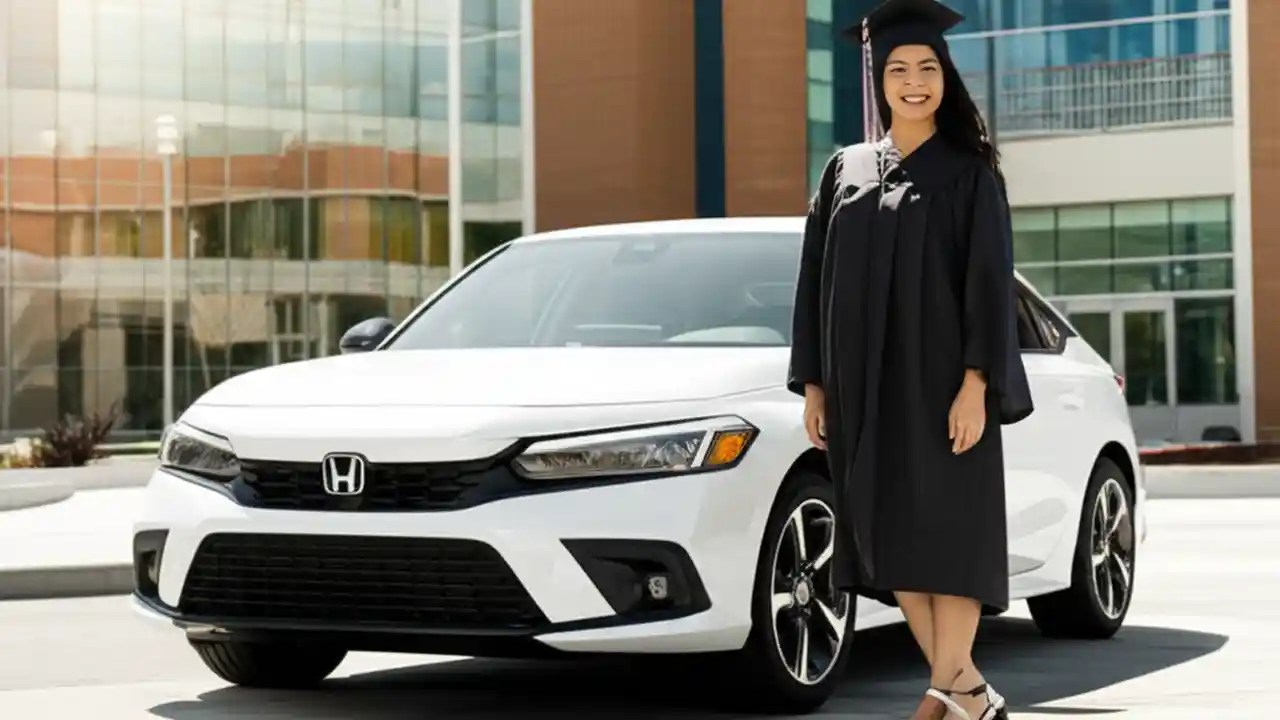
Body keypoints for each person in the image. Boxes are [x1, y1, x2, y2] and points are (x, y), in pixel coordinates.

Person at [786, 0, 1034, 718]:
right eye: (899, 69)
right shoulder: (846, 170)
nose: (914, 82)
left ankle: (949, 692)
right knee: (890, 537)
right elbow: (813, 279)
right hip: (865, 389)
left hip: (942, 387)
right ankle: (966, 691)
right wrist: (814, 384)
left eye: (927, 68)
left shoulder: (970, 174)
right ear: (880, 80)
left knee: (950, 539)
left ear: (945, 77)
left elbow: (989, 285)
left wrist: (976, 384)